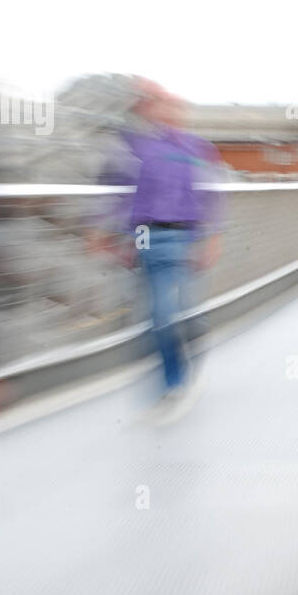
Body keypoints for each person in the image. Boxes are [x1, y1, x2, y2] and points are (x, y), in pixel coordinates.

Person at [96, 80, 224, 416]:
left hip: (183, 238)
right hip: (144, 239)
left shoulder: (197, 149)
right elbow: (116, 189)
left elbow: (211, 195)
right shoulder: (133, 145)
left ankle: (179, 372)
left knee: (172, 314)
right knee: (155, 317)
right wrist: (105, 233)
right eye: (151, 104)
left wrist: (212, 238)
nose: (162, 112)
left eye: (167, 106)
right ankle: (173, 375)